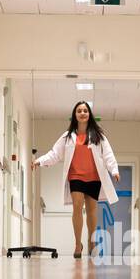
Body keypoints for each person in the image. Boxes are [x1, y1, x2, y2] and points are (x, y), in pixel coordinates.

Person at [31, 101, 121, 259]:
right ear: (75, 115)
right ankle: (78, 244)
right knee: (77, 206)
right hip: (76, 176)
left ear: (89, 114)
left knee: (92, 210)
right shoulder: (67, 136)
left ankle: (92, 243)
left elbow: (108, 155)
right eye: (79, 111)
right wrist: (40, 160)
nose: (82, 113)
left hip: (94, 177)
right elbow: (55, 153)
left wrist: (114, 170)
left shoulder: (98, 136)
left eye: (85, 111)